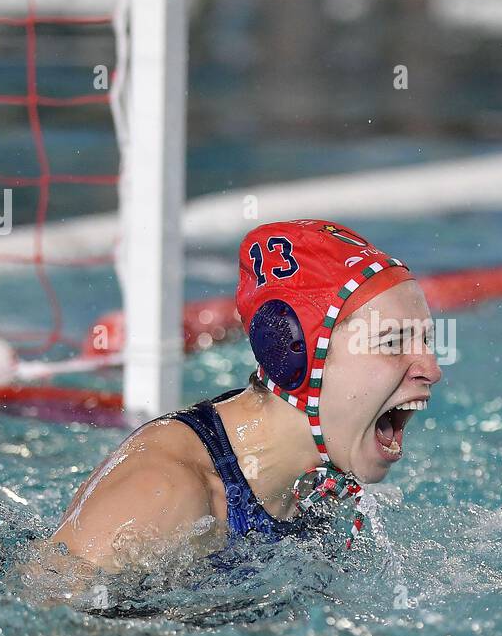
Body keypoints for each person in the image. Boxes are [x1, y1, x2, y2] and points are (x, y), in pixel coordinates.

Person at [44, 219, 443, 577]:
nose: (432, 369)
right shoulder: (162, 494)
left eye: (426, 340)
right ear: (294, 353)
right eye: (392, 342)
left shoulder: (315, 488)